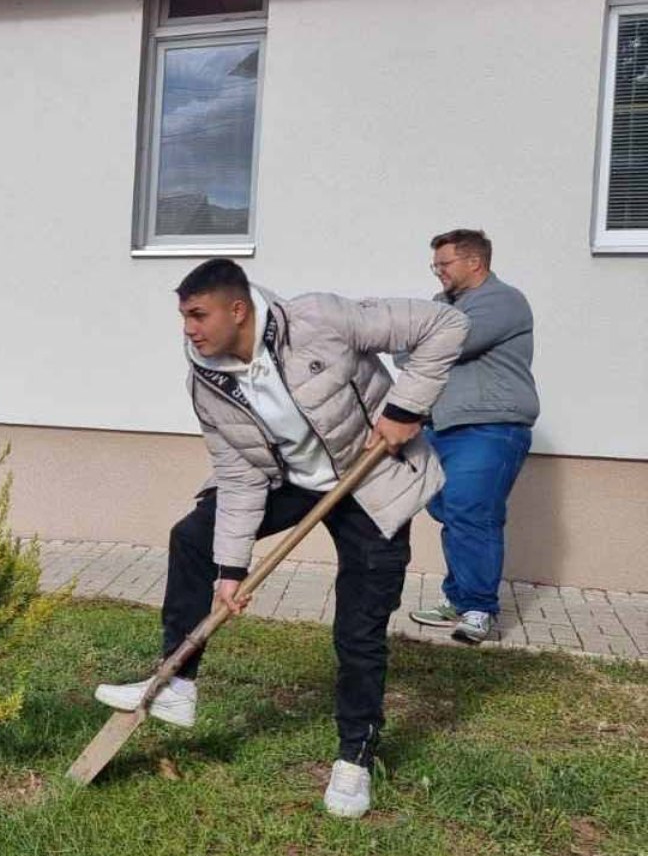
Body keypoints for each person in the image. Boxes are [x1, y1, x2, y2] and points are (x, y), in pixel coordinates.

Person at [92, 259, 466, 819]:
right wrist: (231, 570)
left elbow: (444, 325)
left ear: (238, 309)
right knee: (193, 538)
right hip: (293, 482)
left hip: (371, 477)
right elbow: (239, 476)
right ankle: (177, 684)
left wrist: (405, 407)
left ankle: (355, 758)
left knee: (359, 629)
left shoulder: (320, 320)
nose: (189, 329)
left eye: (198, 315)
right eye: (184, 317)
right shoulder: (207, 383)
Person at [408, 229, 539, 645]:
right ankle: (458, 598)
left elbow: (453, 344)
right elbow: (405, 351)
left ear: (474, 262)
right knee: (450, 513)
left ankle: (480, 609)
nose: (437, 272)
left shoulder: (503, 300)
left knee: (472, 512)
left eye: (444, 264)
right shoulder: (442, 303)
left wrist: (422, 342)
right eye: (434, 264)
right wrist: (420, 344)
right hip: (441, 426)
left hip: (489, 426)